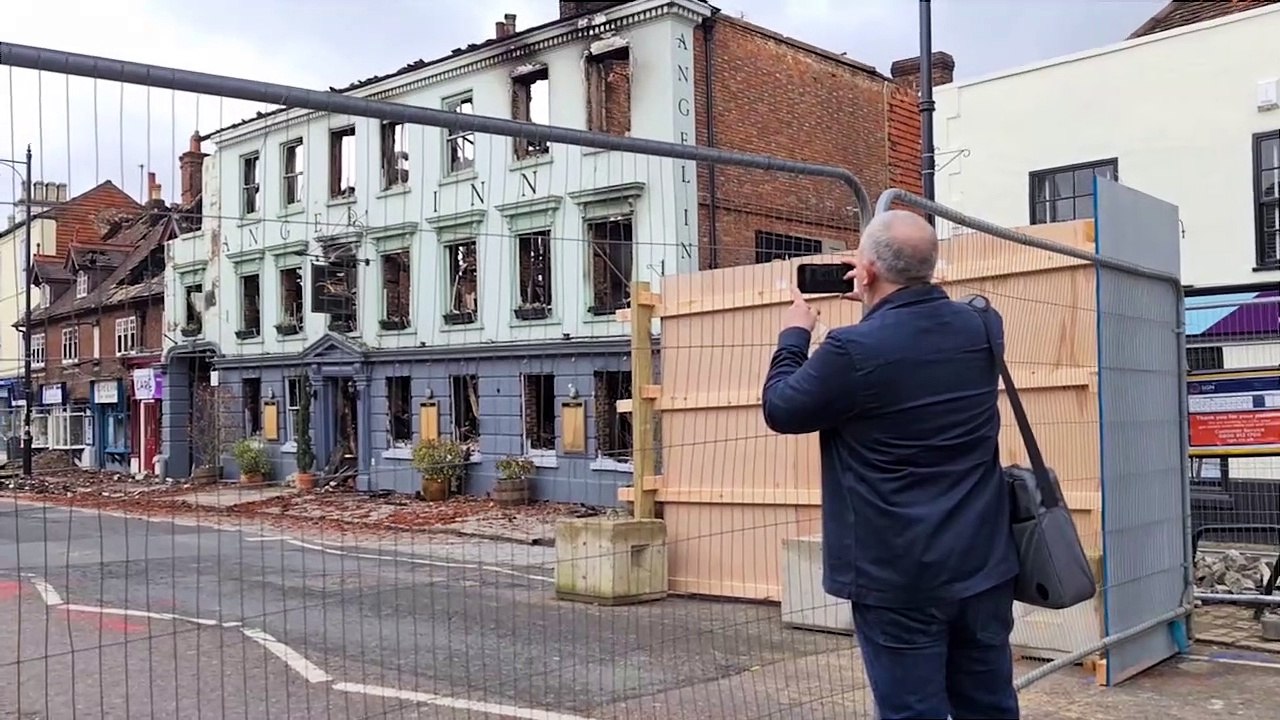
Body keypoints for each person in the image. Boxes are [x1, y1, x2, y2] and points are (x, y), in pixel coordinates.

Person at [761, 209, 1020, 719]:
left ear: (868, 270)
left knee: (911, 712)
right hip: (982, 564)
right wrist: (880, 294)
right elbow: (914, 343)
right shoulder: (983, 324)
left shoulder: (852, 350)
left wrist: (794, 335)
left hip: (899, 577)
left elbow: (782, 408)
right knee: (989, 708)